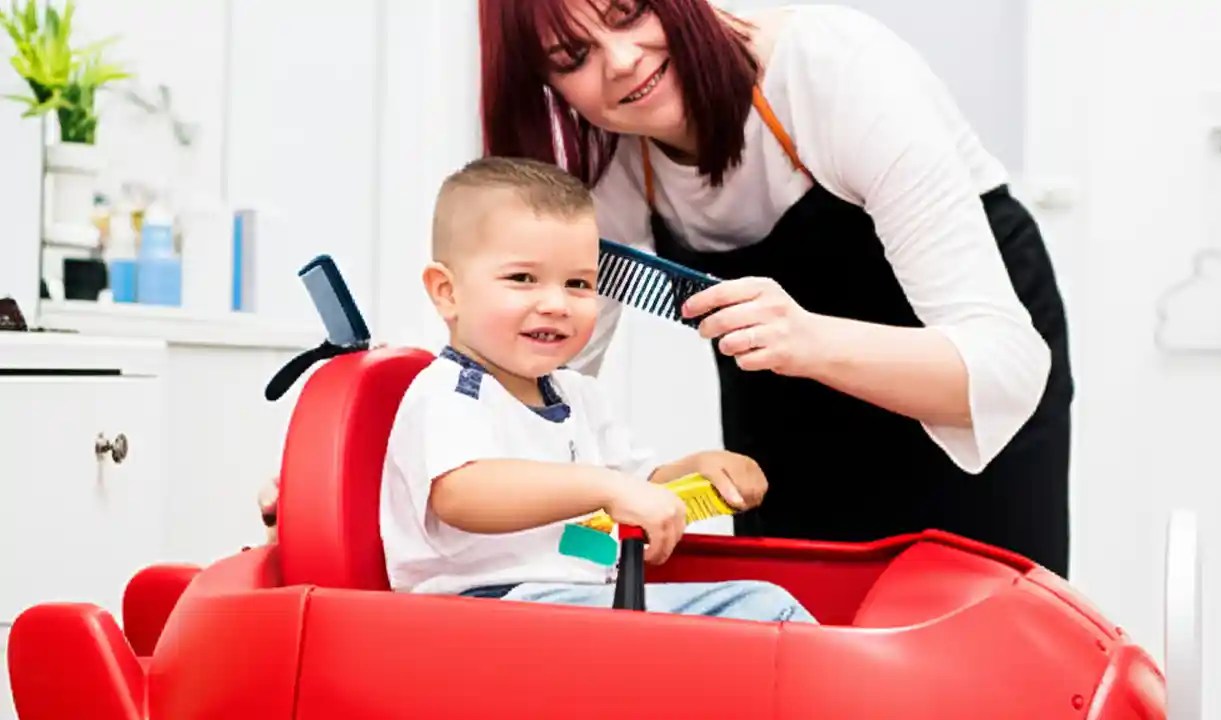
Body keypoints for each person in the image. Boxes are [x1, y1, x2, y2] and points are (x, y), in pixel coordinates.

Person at [474, 0, 1075, 577]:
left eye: (630, 14)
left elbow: (1007, 374)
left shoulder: (836, 71)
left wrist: (807, 340)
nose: (623, 60)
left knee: (981, 640)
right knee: (805, 635)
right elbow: (533, 395)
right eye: (574, 55)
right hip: (786, 412)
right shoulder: (610, 165)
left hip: (962, 382)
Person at [374, 155, 816, 622]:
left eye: (579, 283)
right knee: (762, 611)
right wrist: (603, 488)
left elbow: (636, 484)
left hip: (573, 604)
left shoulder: (575, 395)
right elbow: (461, 493)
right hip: (485, 613)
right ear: (447, 292)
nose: (556, 303)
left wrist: (700, 467)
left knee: (756, 604)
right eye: (522, 279)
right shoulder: (448, 392)